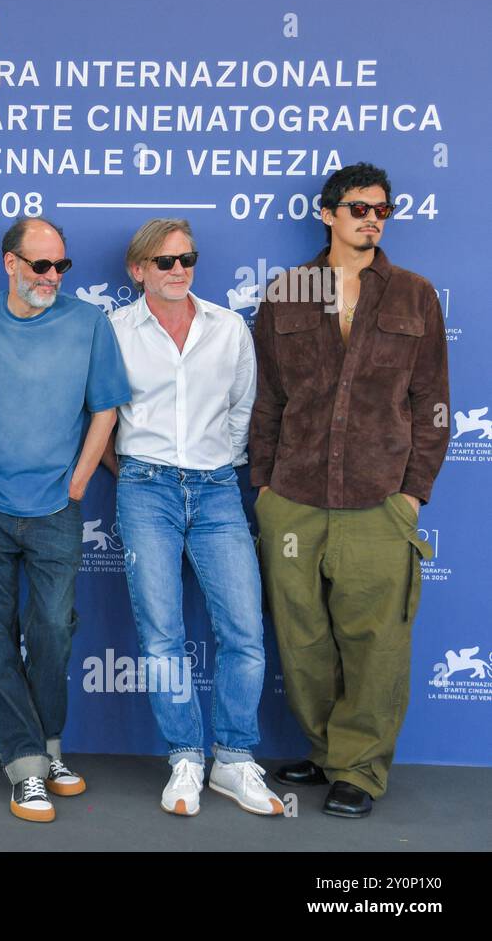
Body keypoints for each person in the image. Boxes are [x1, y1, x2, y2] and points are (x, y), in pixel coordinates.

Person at [250, 163, 449, 818]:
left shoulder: (414, 294)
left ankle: (358, 769)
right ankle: (329, 749)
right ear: (328, 212)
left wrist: (412, 493)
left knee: (375, 645)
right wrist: (264, 486)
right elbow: (267, 399)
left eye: (383, 210)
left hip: (377, 500)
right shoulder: (288, 292)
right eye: (360, 207)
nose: (373, 219)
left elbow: (433, 404)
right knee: (302, 644)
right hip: (294, 499)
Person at [104, 218, 283, 817]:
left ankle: (233, 759)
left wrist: (219, 465)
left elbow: (243, 408)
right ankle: (185, 755)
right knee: (161, 637)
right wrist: (130, 470)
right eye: (163, 261)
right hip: (144, 486)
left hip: (217, 490)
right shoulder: (116, 331)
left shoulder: (228, 327)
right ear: (138, 271)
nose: (178, 269)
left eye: (186, 258)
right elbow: (98, 415)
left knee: (245, 632)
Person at [0, 218, 129, 822]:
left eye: (62, 267)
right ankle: (27, 766)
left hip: (58, 509)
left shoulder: (88, 323)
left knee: (54, 631)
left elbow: (106, 409)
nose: (52, 277)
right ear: (10, 264)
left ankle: (50, 745)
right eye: (40, 266)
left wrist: (80, 481)